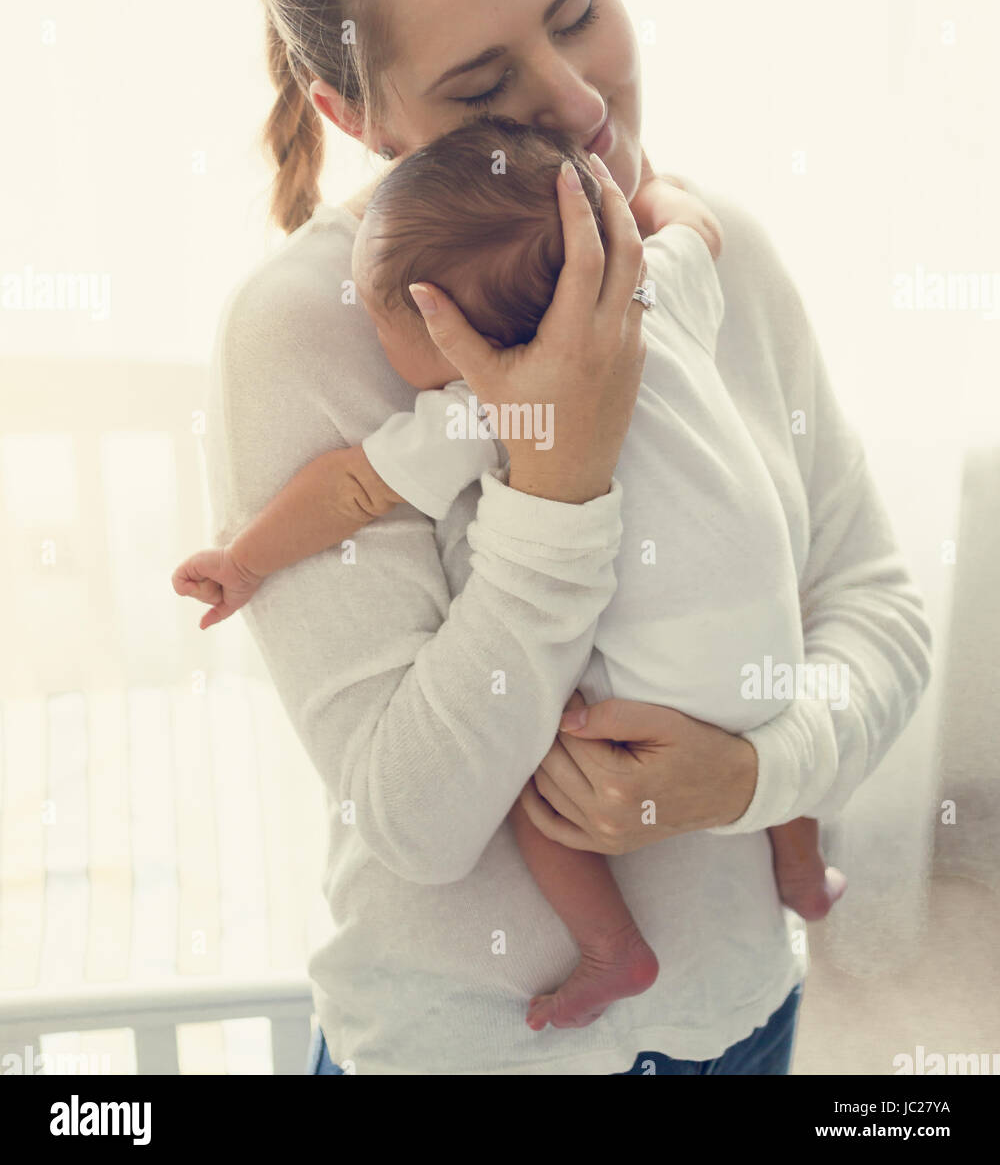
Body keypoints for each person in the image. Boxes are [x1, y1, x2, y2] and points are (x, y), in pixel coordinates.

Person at [203, 0, 932, 1075]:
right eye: (482, 88)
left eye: (579, 11)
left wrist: (751, 780)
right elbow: (415, 823)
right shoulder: (304, 338)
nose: (577, 104)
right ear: (354, 117)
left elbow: (871, 604)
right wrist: (556, 484)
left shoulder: (715, 252)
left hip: (742, 1019)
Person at [177, 116, 848, 1035]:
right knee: (772, 722)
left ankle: (614, 946)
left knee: (524, 769)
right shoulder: (665, 293)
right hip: (773, 665)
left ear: (452, 335)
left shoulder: (491, 404)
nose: (377, 346)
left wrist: (244, 559)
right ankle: (802, 867)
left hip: (647, 713)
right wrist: (643, 194)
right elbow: (698, 225)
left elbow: (351, 490)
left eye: (387, 322)